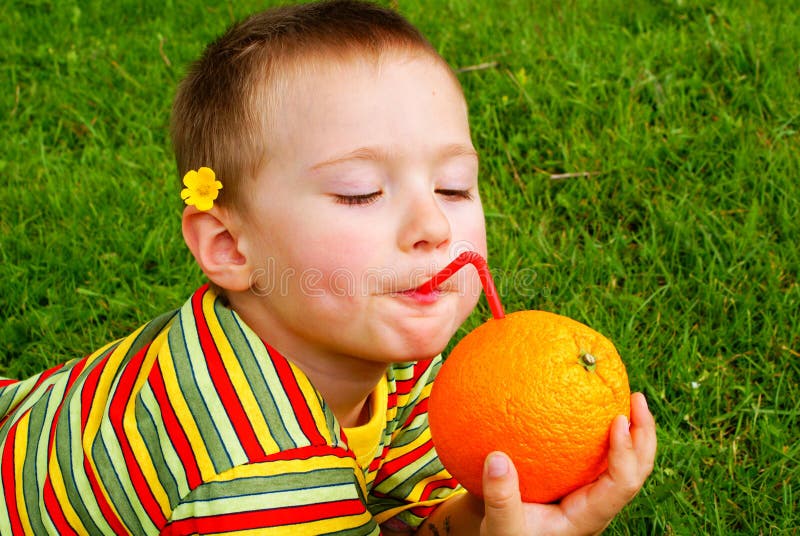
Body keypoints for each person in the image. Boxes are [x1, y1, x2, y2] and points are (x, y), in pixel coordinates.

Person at [0, 1, 656, 534]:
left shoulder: (372, 341)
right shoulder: (255, 477)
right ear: (230, 248)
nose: (433, 226)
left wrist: (487, 512)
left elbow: (408, 509)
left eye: (453, 186)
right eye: (360, 193)